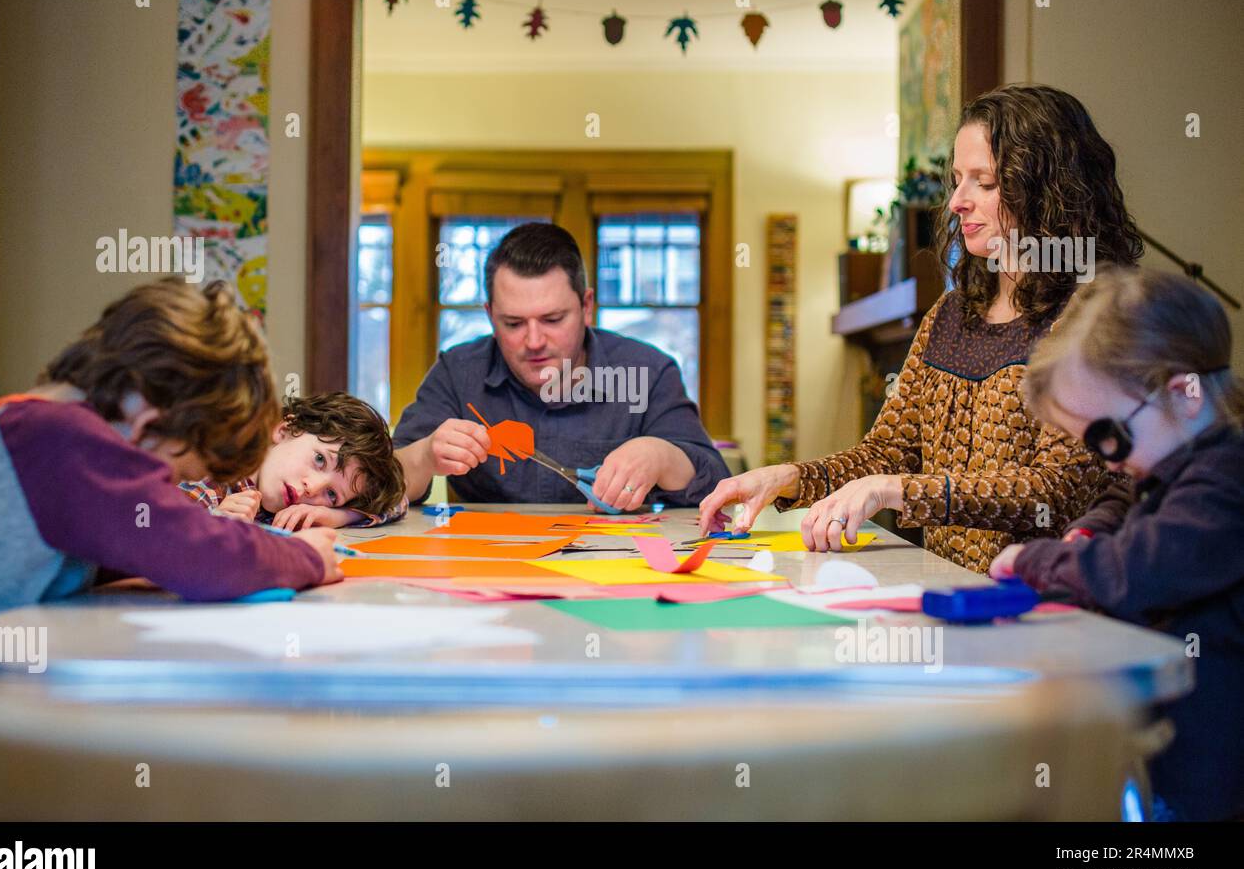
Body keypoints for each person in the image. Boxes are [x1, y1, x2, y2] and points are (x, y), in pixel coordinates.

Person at [699, 84, 1144, 573]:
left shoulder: (1091, 319)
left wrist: (896, 490)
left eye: (985, 182)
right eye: (957, 179)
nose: (957, 201)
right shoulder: (950, 314)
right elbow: (889, 452)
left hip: (1048, 603)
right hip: (950, 598)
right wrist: (789, 478)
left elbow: (1057, 490)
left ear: (1049, 192)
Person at [989, 266, 1244, 821]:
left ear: (1186, 394)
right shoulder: (1173, 471)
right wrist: (1087, 533)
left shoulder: (1226, 483)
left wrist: (1038, 559)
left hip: (1209, 781)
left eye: (1108, 436)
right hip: (1169, 758)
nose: (1107, 458)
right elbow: (1121, 507)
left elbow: (1140, 569)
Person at [0, 278, 340, 622]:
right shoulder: (64, 439)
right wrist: (304, 557)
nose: (164, 490)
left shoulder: (27, 432)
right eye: (176, 476)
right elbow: (194, 549)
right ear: (148, 423)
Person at [393, 222, 730, 510]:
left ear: (586, 306)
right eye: (513, 323)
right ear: (490, 316)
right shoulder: (458, 372)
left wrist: (661, 457)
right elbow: (379, 482)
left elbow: (716, 482)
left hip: (611, 569)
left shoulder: (647, 372)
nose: (534, 340)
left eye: (552, 319)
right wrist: (424, 456)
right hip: (489, 567)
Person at [181, 391, 408, 530]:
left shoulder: (283, 508)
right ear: (284, 430)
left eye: (332, 495)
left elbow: (398, 502)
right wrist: (210, 523)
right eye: (320, 459)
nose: (314, 488)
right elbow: (153, 533)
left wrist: (338, 516)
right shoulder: (211, 473)